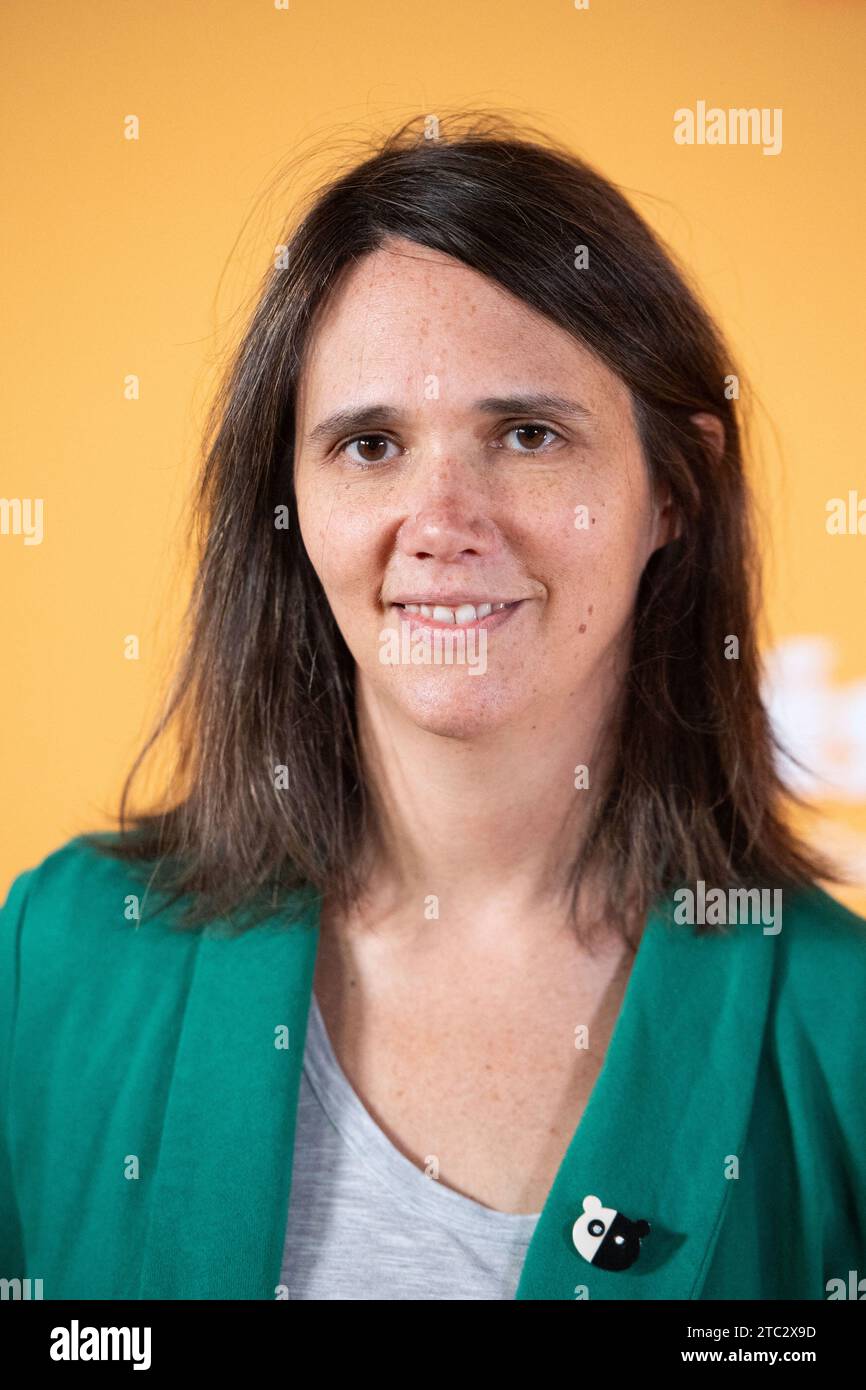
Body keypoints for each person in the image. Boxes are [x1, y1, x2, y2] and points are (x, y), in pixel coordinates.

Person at [2, 114, 865, 1302]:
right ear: (287, 503)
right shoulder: (58, 956)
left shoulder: (839, 1027)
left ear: (674, 486)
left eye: (524, 433)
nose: (443, 519)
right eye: (368, 444)